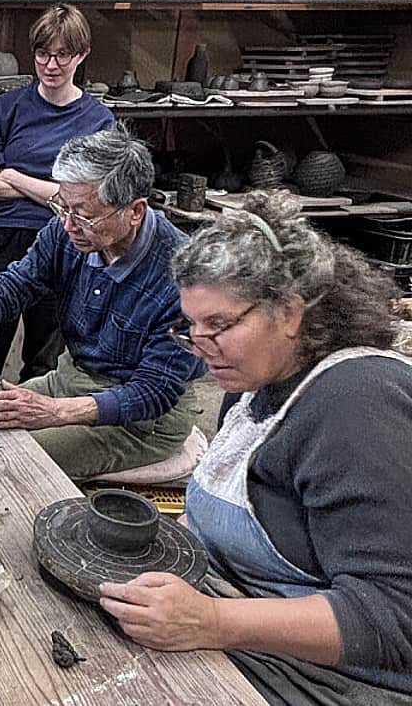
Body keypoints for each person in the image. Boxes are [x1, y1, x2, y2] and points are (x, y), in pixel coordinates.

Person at [99, 192, 412, 705]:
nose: (201, 347)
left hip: (338, 682)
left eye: (219, 326)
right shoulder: (255, 387)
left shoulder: (357, 400)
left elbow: (395, 616)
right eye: (190, 329)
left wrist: (213, 621)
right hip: (244, 630)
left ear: (289, 312)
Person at [0, 125, 203, 480]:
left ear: (136, 211)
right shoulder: (68, 231)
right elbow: (18, 283)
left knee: (7, 466)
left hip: (143, 421)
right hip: (69, 379)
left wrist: (56, 412)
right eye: (62, 207)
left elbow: (153, 392)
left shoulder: (184, 276)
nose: (68, 224)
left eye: (83, 214)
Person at [0, 3, 114, 379]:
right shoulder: (6, 108)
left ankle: (33, 432)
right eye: (43, 54)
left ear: (82, 55)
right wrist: (50, 191)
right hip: (3, 237)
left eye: (63, 55)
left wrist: (13, 174)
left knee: (46, 360)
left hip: (68, 240)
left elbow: (85, 199)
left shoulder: (97, 120)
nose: (51, 65)